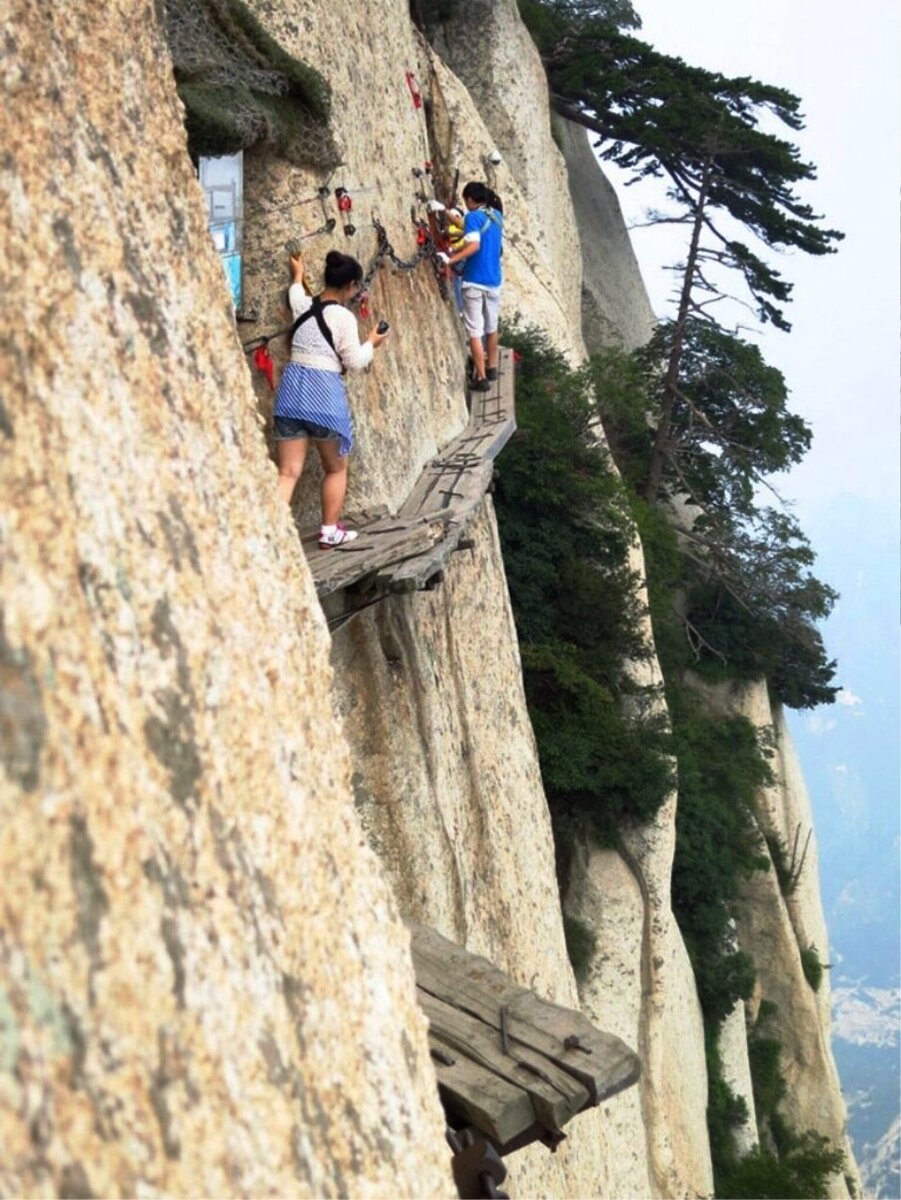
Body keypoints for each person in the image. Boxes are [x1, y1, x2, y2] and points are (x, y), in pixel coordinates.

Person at [273, 249, 389, 548]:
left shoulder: (302, 305)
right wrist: (373, 342)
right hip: (323, 396)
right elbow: (354, 360)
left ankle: (267, 533)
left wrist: (298, 274)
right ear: (350, 285)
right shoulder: (344, 318)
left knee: (287, 472)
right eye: (356, 287)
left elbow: (295, 291)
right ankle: (329, 531)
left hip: (291, 393)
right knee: (336, 468)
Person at [438, 181, 504, 392]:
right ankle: (492, 368)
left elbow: (474, 245)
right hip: (494, 281)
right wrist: (447, 213)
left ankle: (482, 378)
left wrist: (450, 260)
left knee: (475, 331)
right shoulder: (496, 216)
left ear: (469, 200)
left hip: (475, 280)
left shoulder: (473, 217)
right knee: (491, 327)